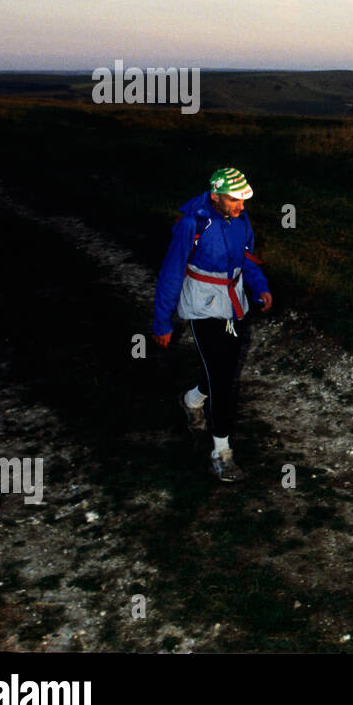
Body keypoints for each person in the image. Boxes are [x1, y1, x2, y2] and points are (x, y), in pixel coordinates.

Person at [152, 167, 273, 482]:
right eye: (235, 201)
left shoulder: (240, 221)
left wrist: (260, 286)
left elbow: (246, 259)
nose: (241, 207)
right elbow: (171, 274)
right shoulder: (192, 224)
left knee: (225, 370)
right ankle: (221, 453)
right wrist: (162, 321)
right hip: (203, 306)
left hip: (234, 305)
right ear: (216, 195)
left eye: (244, 201)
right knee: (222, 380)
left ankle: (192, 400)